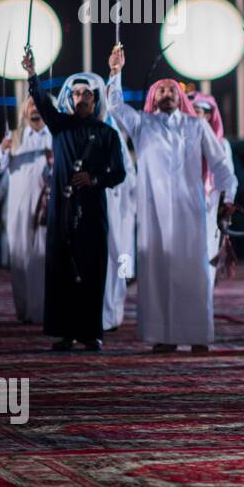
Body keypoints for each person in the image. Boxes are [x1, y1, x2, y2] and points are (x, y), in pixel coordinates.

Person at [106, 46, 237, 354]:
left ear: (180, 97)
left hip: (191, 212)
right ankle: (162, 334)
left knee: (193, 274)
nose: (166, 93)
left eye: (171, 90)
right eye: (160, 90)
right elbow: (114, 106)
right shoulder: (141, 125)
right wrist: (115, 72)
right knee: (158, 272)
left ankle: (198, 335)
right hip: (153, 214)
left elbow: (220, 166)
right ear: (154, 98)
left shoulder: (196, 125)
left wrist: (228, 197)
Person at [22, 52, 126, 351]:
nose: (81, 98)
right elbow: (42, 101)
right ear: (70, 97)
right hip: (63, 210)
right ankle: (63, 332)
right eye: (76, 93)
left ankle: (90, 332)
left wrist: (94, 179)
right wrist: (32, 74)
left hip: (93, 211)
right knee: (61, 267)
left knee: (91, 268)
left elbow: (118, 173)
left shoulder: (107, 134)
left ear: (95, 100)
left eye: (87, 94)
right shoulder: (60, 125)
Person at [0, 95, 53, 324]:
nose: (35, 110)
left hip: (45, 207)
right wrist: (3, 149)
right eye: (31, 105)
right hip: (17, 208)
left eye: (39, 105)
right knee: (19, 257)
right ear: (25, 110)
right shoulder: (14, 136)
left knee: (42, 258)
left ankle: (43, 311)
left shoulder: (55, 136)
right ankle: (24, 310)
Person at [191, 93, 235, 285]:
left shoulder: (221, 144)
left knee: (207, 255)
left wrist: (227, 204)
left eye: (198, 111)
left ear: (208, 116)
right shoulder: (184, 139)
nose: (193, 114)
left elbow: (229, 177)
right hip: (185, 205)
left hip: (210, 207)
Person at [101, 116, 136, 333]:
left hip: (119, 214)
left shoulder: (114, 137)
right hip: (95, 209)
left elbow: (129, 178)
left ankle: (115, 312)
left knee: (119, 263)